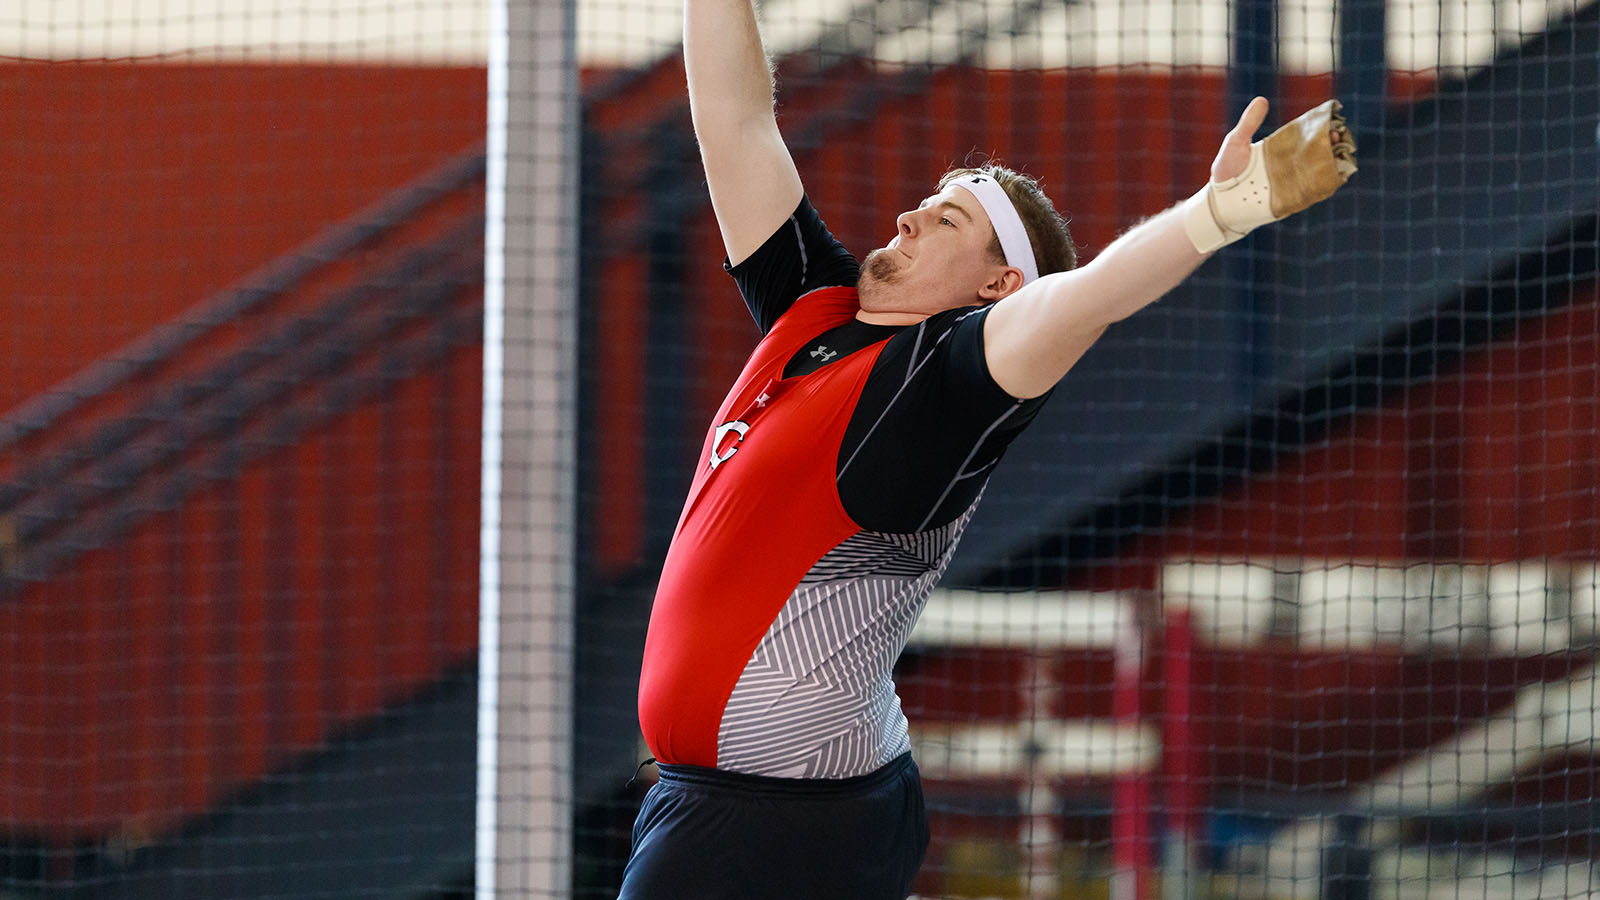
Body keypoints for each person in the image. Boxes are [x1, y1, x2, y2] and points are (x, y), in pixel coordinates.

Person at [620, 0, 1358, 893]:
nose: (908, 219)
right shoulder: (814, 308)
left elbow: (1089, 297)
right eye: (928, 203)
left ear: (997, 285)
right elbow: (734, 119)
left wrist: (1221, 210)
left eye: (948, 222)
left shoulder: (952, 384)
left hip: (780, 817)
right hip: (737, 801)